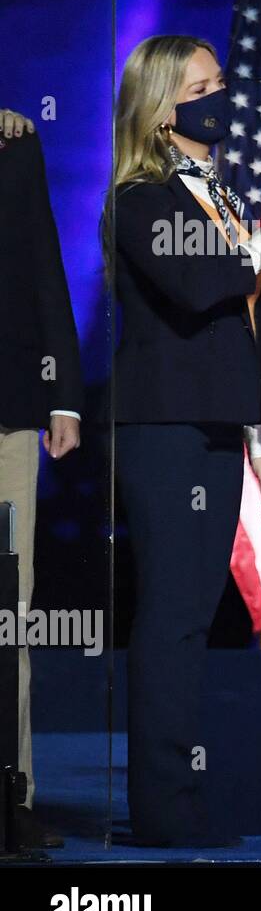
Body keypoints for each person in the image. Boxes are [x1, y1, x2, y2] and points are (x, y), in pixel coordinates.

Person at [109, 35, 261, 846]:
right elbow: (198, 286)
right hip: (164, 428)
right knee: (173, 616)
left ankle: (178, 801)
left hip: (216, 423)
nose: (223, 95)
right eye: (205, 85)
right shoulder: (144, 198)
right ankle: (163, 808)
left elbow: (239, 326)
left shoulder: (211, 188)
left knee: (189, 614)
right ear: (163, 106)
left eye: (221, 80)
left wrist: (260, 437)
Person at [0, 107, 83, 850]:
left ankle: (10, 789)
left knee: (9, 609)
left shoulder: (12, 143)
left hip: (7, 411)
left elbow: (40, 261)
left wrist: (63, 393)